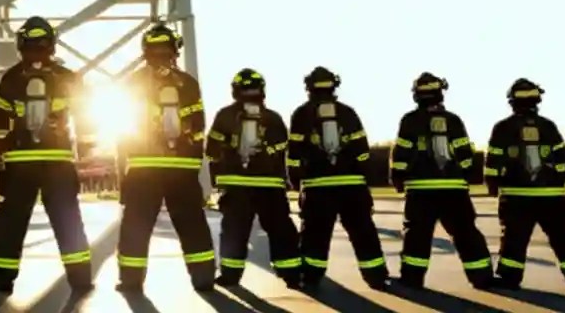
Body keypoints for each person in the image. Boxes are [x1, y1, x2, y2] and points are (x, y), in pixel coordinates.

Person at [0, 16, 95, 294]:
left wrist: (1, 153)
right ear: (52, 46)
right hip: (58, 161)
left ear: (21, 45)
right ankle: (80, 279)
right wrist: (84, 148)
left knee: (11, 221)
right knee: (67, 219)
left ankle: (1, 279)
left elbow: (0, 123)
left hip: (20, 163)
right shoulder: (69, 78)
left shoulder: (9, 78)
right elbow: (85, 117)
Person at [115, 23, 216, 292]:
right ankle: (204, 277)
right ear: (175, 50)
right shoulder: (189, 83)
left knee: (136, 225)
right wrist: (193, 165)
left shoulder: (133, 82)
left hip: (143, 168)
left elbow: (122, 130)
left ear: (145, 51)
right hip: (181, 169)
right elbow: (198, 126)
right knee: (192, 223)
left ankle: (131, 280)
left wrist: (122, 174)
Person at [287, 66, 389, 290]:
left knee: (315, 237)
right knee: (363, 233)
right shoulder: (348, 113)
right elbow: (362, 151)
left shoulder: (302, 114)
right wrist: (363, 180)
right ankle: (376, 276)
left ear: (309, 87)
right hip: (352, 188)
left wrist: (297, 183)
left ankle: (311, 277)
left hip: (318, 189)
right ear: (334, 86)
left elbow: (294, 154)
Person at [390, 72, 494, 289]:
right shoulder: (453, 120)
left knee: (417, 236)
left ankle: (412, 279)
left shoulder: (410, 120)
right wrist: (461, 177)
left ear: (416, 95)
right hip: (454, 191)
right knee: (466, 233)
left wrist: (397, 178)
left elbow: (401, 153)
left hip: (421, 191)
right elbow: (466, 155)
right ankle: (482, 277)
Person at [485, 78, 565, 290]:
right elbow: (562, 161)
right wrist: (556, 183)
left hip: (516, 197)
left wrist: (492, 184)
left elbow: (493, 161)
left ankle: (510, 278)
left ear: (512, 101)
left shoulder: (503, 128)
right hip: (552, 197)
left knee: (514, 240)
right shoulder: (548, 126)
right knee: (564, 236)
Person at [206, 69, 302, 288]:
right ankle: (292, 275)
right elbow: (283, 146)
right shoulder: (273, 118)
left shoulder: (224, 115)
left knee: (234, 231)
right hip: (270, 186)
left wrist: (224, 163)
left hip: (236, 186)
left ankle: (230, 276)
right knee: (280, 229)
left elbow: (211, 149)